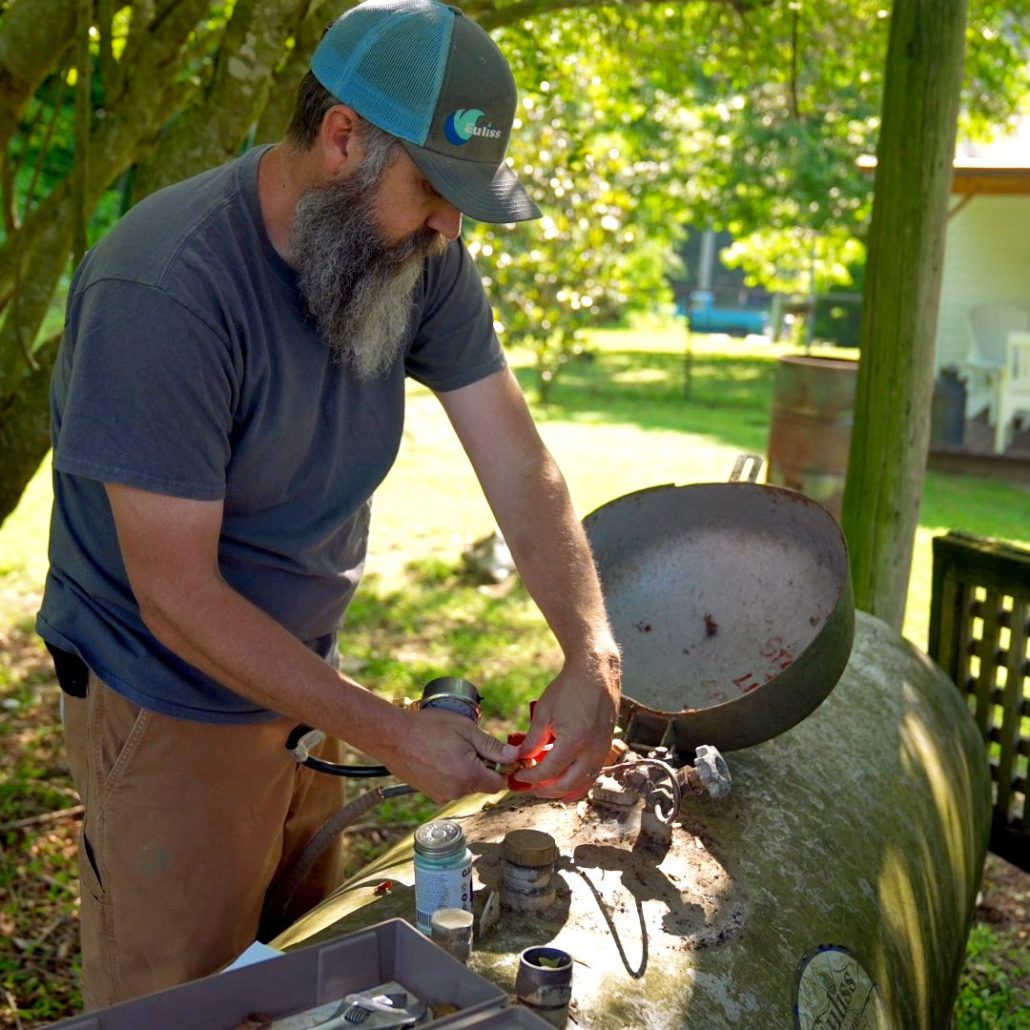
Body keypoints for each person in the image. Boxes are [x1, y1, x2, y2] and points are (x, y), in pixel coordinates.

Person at [36, 0, 621, 1010]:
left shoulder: (407, 252)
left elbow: (519, 461)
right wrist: (392, 731)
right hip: (169, 707)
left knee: (309, 980)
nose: (449, 225)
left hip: (310, 688)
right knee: (180, 1002)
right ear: (345, 138)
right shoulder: (166, 287)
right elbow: (173, 590)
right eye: (437, 189)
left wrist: (590, 651)